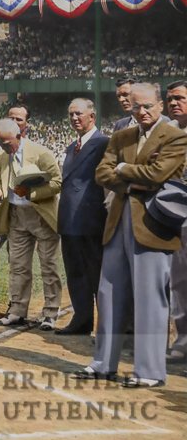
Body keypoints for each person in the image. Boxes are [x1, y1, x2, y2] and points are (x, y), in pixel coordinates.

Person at [79, 83, 187, 387]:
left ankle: (150, 371)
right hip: (118, 221)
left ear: (161, 105)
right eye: (136, 106)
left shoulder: (176, 137)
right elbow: (102, 173)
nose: (141, 112)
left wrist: (123, 169)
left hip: (153, 224)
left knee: (150, 297)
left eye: (148, 106)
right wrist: (131, 178)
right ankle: (103, 363)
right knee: (108, 293)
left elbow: (158, 175)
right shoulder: (121, 135)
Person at [0, 118, 63, 329]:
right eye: (0, 143)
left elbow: (58, 182)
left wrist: (32, 193)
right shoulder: (2, 156)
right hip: (17, 215)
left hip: (41, 215)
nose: (4, 147)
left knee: (49, 265)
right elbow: (2, 185)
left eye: (7, 143)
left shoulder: (41, 153)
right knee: (18, 266)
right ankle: (17, 310)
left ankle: (51, 312)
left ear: (19, 135)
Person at [56, 98, 108, 335]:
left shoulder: (103, 143)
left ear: (92, 116)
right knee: (75, 273)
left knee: (97, 276)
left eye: (78, 114)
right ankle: (82, 319)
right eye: (70, 115)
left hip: (91, 221)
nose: (74, 118)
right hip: (69, 220)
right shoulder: (71, 147)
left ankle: (106, 326)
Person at [166, 80, 187, 363]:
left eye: (180, 98)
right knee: (180, 280)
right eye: (169, 99)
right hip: (177, 217)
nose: (173, 103)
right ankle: (183, 339)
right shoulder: (167, 134)